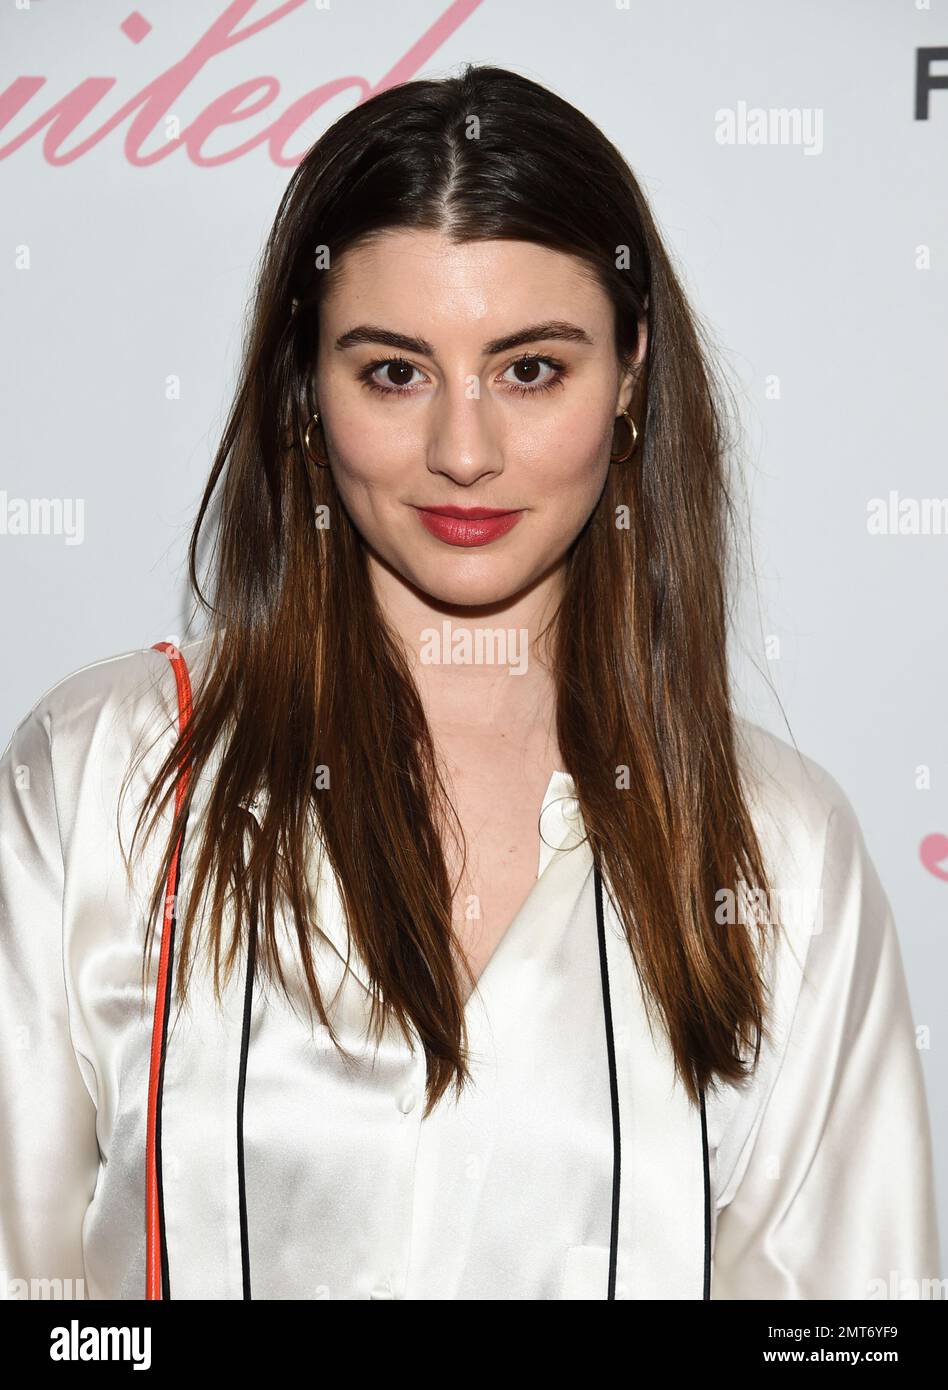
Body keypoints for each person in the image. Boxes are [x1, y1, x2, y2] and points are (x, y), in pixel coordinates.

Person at [0, 64, 939, 1301]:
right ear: (306, 386)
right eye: (394, 370)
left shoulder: (780, 849)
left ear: (632, 374)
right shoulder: (104, 774)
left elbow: (847, 1326)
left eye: (531, 368)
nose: (462, 451)